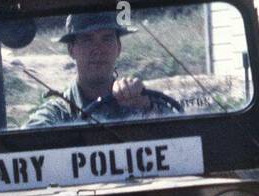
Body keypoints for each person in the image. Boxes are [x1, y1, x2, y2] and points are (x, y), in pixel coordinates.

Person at [23, 12, 181, 127]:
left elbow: (182, 132)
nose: (98, 49)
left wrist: (146, 107)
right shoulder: (59, 112)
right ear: (72, 50)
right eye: (87, 39)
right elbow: (27, 141)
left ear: (118, 48)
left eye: (106, 39)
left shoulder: (139, 102)